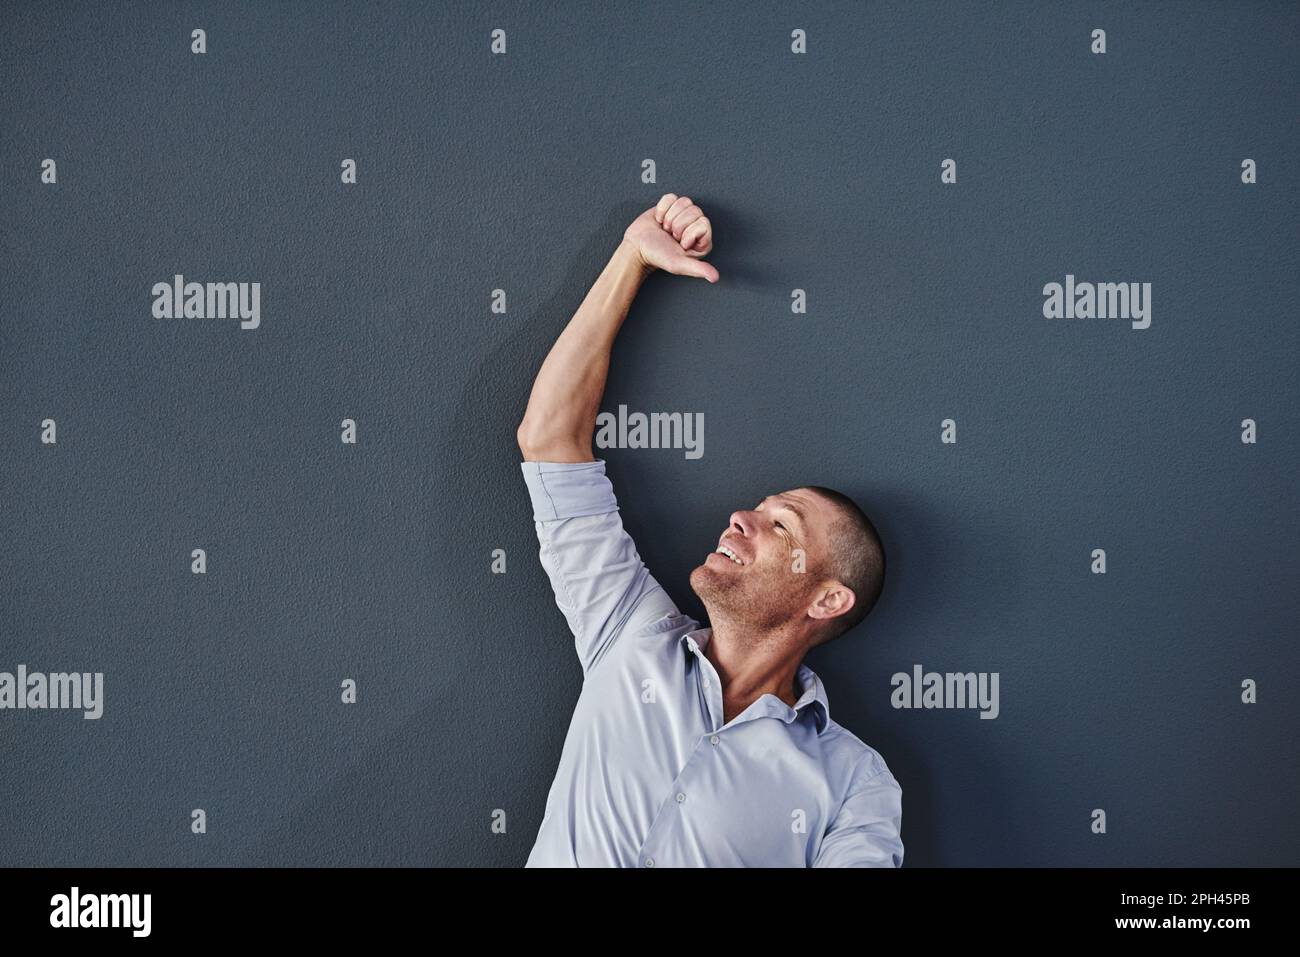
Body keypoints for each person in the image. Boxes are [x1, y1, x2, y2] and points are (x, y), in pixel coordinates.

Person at [516, 193, 901, 867]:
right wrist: (632, 256)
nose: (740, 518)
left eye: (780, 524)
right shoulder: (625, 632)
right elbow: (550, 438)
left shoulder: (853, 783)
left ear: (827, 597)